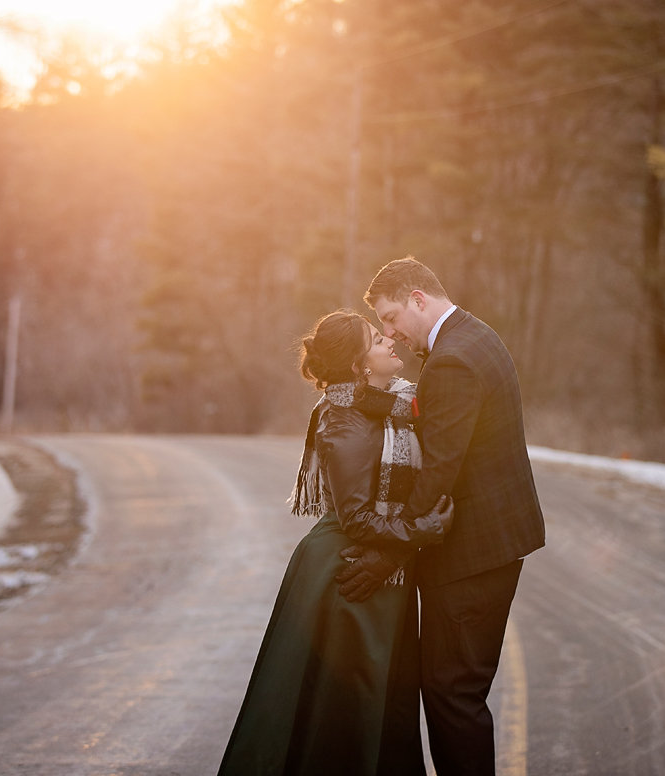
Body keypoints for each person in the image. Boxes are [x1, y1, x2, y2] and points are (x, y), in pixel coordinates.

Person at [218, 309, 455, 776]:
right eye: (376, 339)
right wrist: (423, 532)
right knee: (344, 715)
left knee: (384, 707)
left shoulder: (394, 406)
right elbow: (359, 520)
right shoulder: (342, 420)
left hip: (385, 569)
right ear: (357, 366)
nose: (390, 340)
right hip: (346, 576)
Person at [338, 258, 547, 776]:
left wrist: (385, 552)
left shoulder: (452, 360)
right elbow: (434, 423)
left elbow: (438, 473)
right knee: (456, 693)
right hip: (490, 549)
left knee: (452, 697)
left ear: (417, 299)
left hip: (472, 558)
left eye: (389, 318)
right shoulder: (474, 336)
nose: (390, 333)